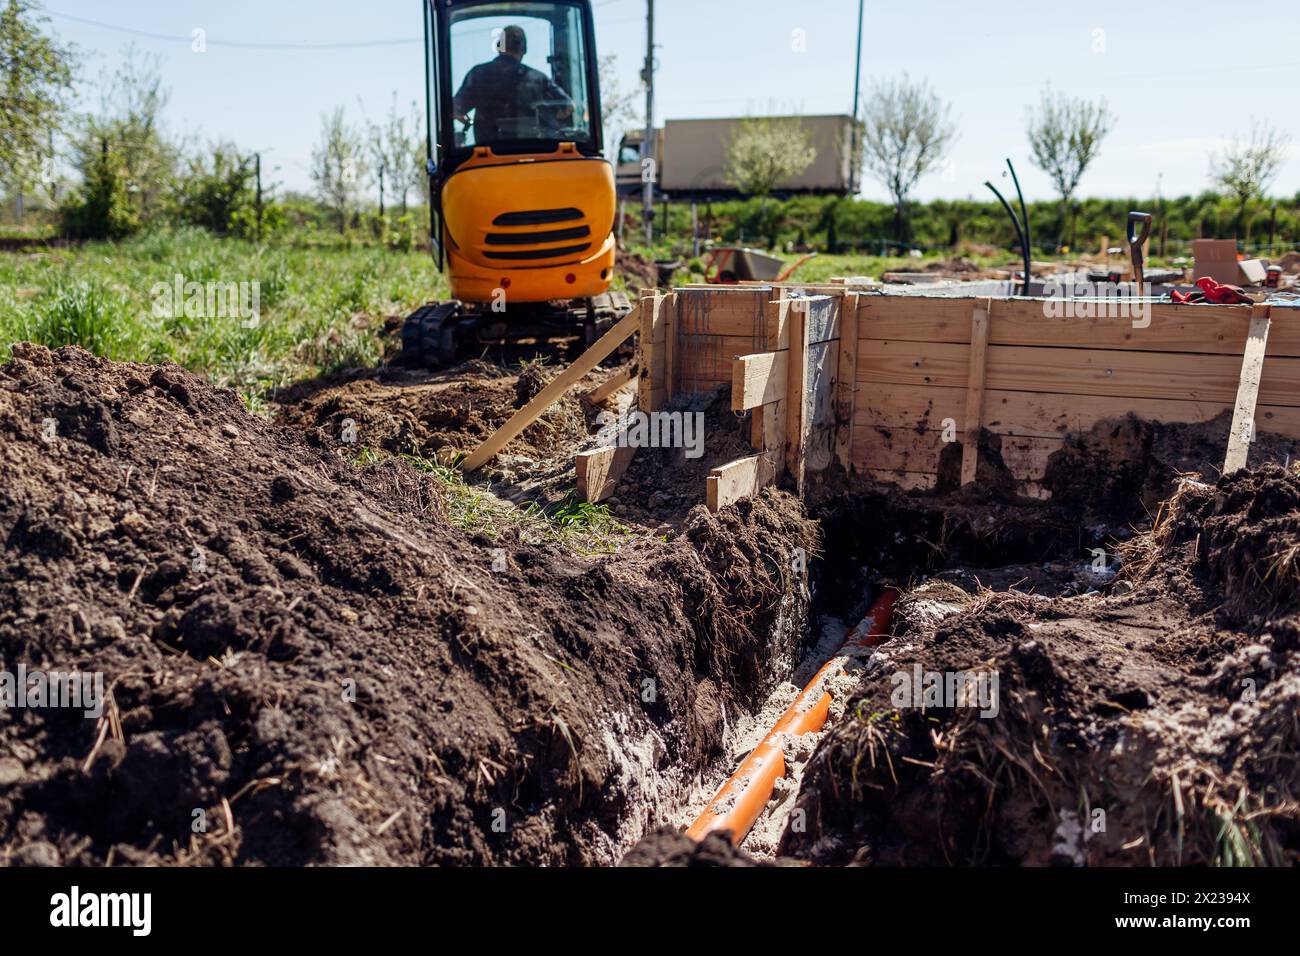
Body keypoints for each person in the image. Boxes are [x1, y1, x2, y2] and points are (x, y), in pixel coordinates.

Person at [453, 25, 574, 144]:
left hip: (487, 156)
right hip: (534, 153)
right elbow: (568, 106)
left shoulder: (477, 74)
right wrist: (546, 121)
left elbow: (455, 110)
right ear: (524, 50)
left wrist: (469, 122)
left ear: (499, 47)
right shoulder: (538, 78)